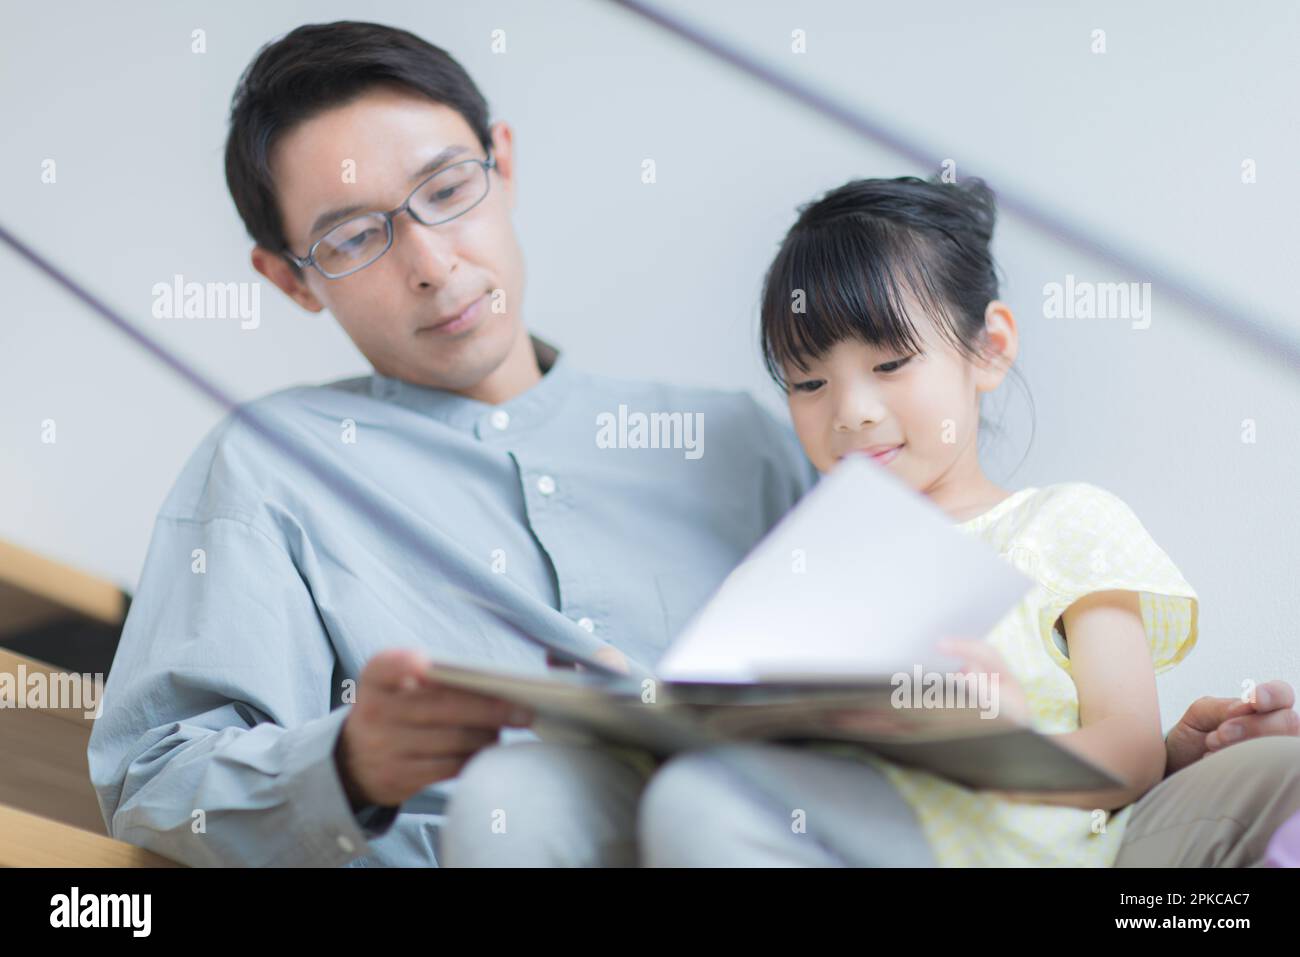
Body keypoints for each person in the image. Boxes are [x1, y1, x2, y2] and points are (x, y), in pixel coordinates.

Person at [87, 20, 1297, 868]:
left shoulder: (739, 439)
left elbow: (930, 686)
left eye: (446, 189)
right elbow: (150, 786)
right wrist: (346, 763)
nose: (430, 260)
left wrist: (1137, 747)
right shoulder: (267, 472)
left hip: (812, 833)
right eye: (353, 236)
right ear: (287, 279)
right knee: (523, 792)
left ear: (502, 165)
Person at [444, 176, 1300, 867]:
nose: (850, 411)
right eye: (808, 383)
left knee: (713, 806)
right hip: (815, 822)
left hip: (997, 837)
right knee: (579, 786)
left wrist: (1005, 739)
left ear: (989, 348)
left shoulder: (1065, 523)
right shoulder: (797, 563)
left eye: (890, 364)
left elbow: (1130, 755)